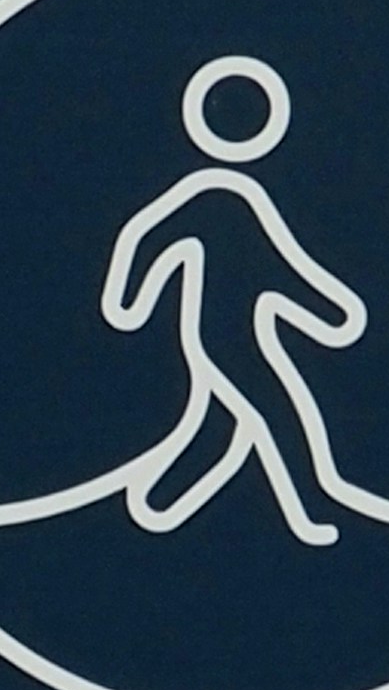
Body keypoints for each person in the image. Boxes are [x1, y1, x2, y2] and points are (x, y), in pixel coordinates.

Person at [99, 55, 366, 546]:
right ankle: (309, 510)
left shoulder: (229, 200)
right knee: (279, 414)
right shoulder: (219, 199)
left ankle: (155, 504)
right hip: (225, 340)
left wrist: (331, 312)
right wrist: (128, 299)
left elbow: (272, 271)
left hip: (226, 336)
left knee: (219, 434)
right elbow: (157, 241)